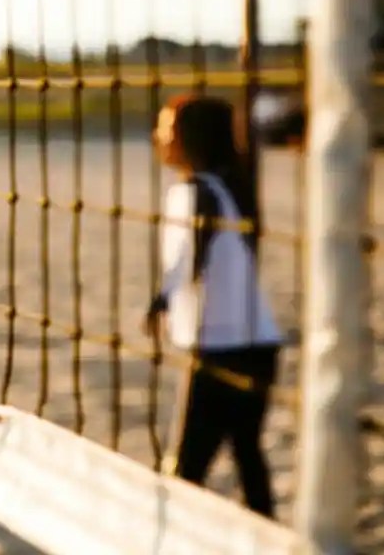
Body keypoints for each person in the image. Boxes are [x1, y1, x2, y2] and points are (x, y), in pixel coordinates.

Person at [146, 94, 283, 517]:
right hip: (260, 342)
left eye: (167, 129)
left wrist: (161, 301)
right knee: (247, 454)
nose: (158, 137)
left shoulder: (195, 191)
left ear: (190, 138)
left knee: (186, 470)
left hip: (220, 347)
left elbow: (188, 259)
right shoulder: (232, 185)